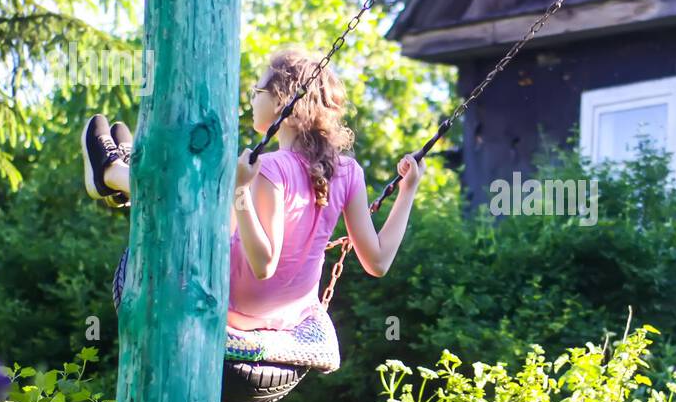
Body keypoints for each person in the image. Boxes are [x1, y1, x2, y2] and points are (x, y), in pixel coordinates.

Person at [80, 45, 425, 354]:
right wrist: (407, 190)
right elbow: (377, 262)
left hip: (236, 304)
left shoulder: (272, 168)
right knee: (213, 191)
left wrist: (240, 191)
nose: (251, 98)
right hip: (287, 315)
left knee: (199, 194)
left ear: (281, 103)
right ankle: (125, 177)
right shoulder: (348, 171)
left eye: (258, 90)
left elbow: (263, 265)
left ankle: (113, 174)